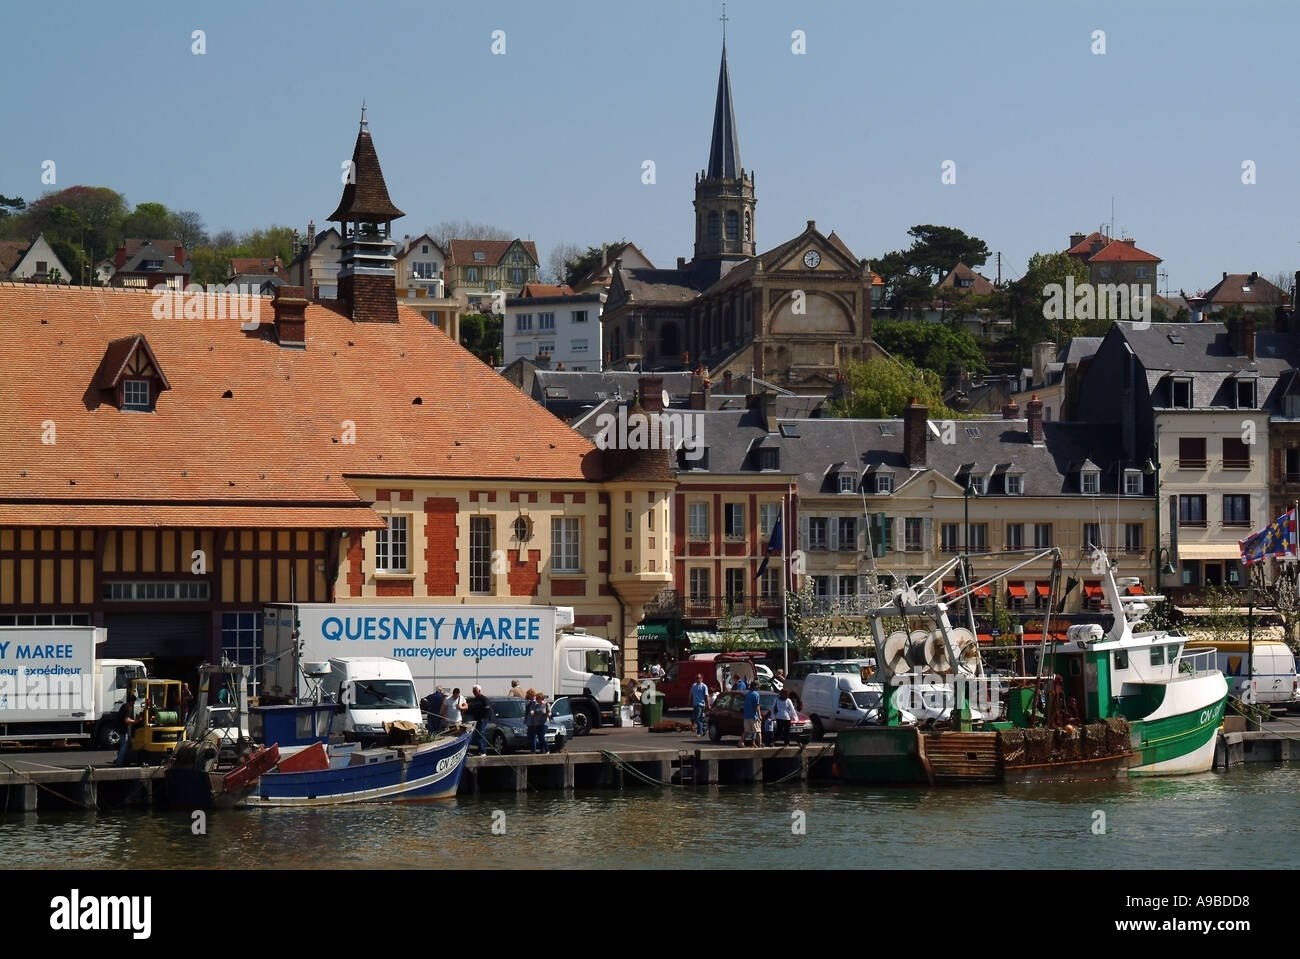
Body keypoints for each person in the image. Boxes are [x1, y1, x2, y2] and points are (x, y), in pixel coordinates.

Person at [114, 691, 143, 766]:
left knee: (122, 746)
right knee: (124, 746)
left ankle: (120, 761)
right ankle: (119, 763)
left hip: (120, 728)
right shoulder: (127, 708)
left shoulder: (124, 706)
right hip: (123, 730)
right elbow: (126, 720)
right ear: (131, 702)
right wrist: (136, 721)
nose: (134, 704)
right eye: (133, 702)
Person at [466, 685, 490, 754]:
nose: (474, 692)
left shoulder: (484, 699)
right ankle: (479, 750)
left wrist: (484, 718)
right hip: (475, 720)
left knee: (480, 734)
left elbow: (487, 710)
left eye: (475, 691)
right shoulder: (474, 700)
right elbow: (470, 709)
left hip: (482, 720)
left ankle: (483, 751)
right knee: (475, 736)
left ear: (479, 691)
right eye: (473, 691)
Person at [690, 673, 709, 737]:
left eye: (699, 678)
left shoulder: (704, 686)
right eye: (697, 678)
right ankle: (703, 730)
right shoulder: (694, 685)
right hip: (694, 704)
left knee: (698, 718)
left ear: (702, 679)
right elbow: (691, 694)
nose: (698, 679)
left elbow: (706, 696)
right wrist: (689, 701)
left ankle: (699, 732)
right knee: (694, 718)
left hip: (700, 704)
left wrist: (707, 704)